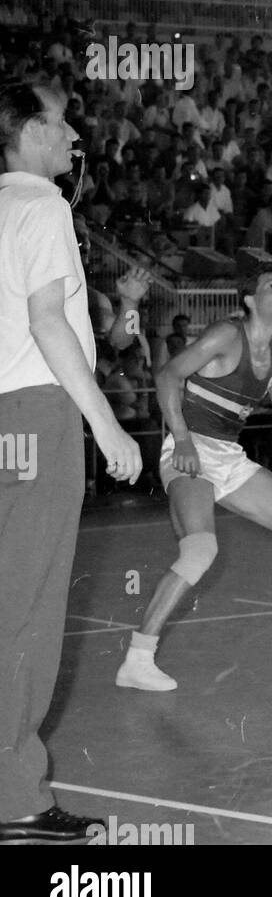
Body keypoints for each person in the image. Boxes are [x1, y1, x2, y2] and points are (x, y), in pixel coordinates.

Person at [0, 81, 142, 844]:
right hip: (36, 415)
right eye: (60, 124)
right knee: (25, 615)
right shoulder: (44, 208)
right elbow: (48, 322)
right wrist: (107, 425)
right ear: (26, 131)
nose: (74, 137)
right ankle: (17, 801)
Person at [114, 270, 272, 691]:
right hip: (187, 450)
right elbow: (167, 377)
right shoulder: (227, 336)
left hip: (228, 457)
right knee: (199, 551)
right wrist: (182, 441)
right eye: (271, 287)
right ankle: (137, 659)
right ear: (249, 300)